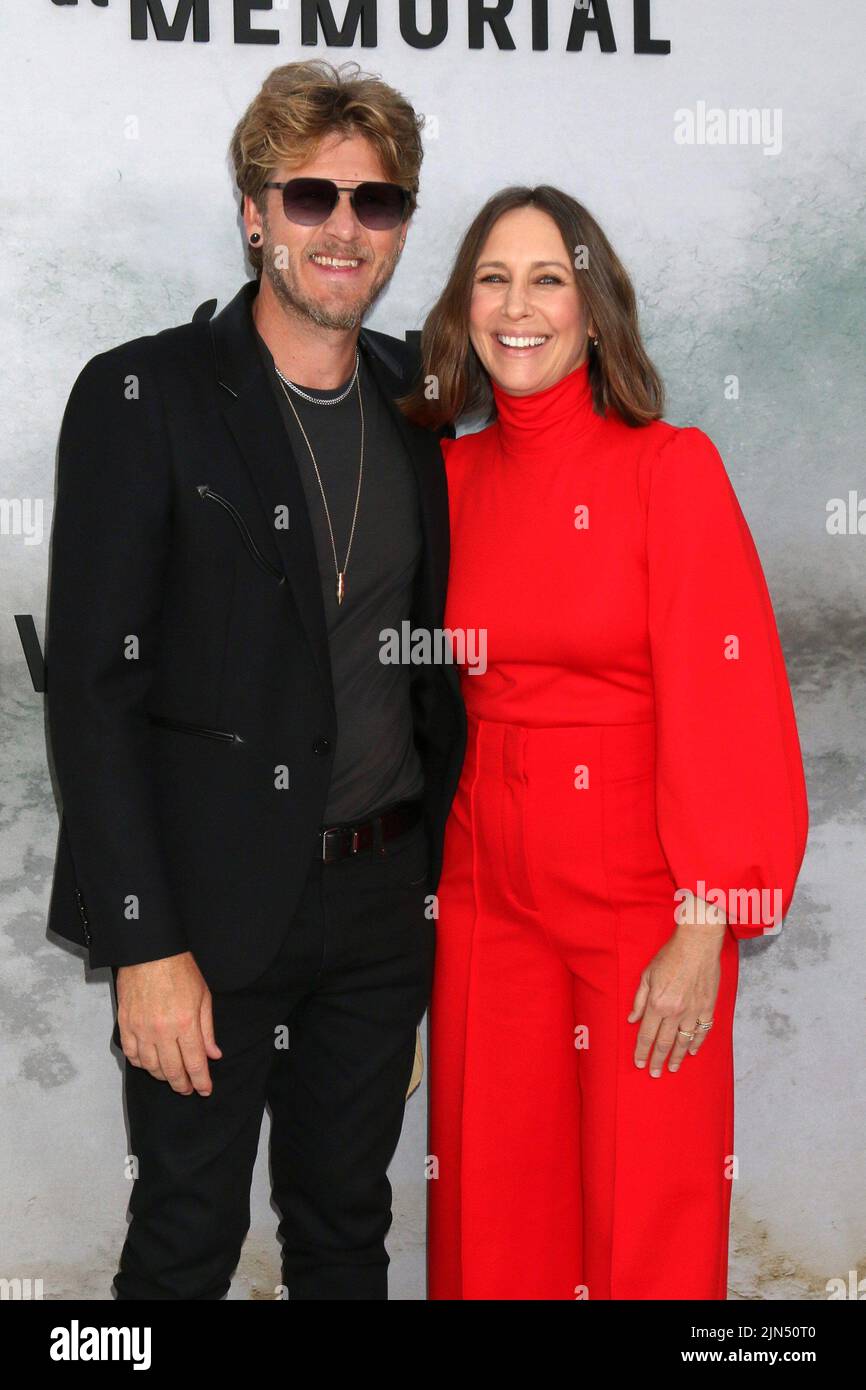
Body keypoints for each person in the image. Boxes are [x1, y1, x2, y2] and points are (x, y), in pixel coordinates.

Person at [44, 59, 465, 1301]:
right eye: (310, 197)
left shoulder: (423, 402)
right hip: (206, 913)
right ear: (252, 211)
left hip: (381, 905)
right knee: (186, 1238)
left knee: (346, 1232)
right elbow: (94, 690)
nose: (343, 228)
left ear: (397, 229)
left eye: (375, 203)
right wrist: (144, 945)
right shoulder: (146, 394)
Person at [398, 185, 808, 1300]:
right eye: (491, 278)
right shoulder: (442, 479)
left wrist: (703, 920)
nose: (516, 305)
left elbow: (727, 701)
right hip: (487, 896)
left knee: (648, 1227)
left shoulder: (666, 470)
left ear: (592, 309)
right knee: (489, 1215)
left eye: (546, 279)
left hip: (644, 902)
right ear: (461, 308)